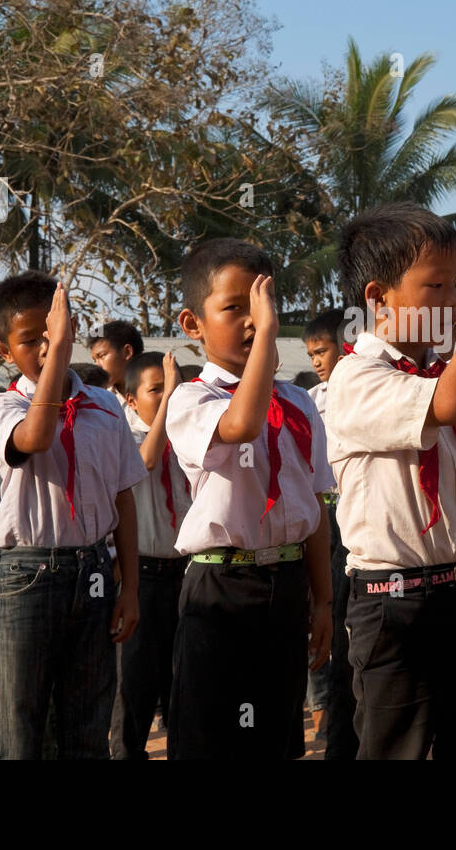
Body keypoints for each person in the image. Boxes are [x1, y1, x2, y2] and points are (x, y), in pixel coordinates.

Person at [329, 207, 456, 759]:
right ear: (378, 297)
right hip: (396, 607)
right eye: (437, 285)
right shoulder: (358, 376)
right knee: (399, 749)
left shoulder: (451, 373)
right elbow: (448, 403)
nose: (452, 299)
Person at [165, 239, 333, 760]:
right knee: (211, 737)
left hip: (285, 584)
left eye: (263, 306)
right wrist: (267, 339)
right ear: (193, 324)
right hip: (221, 586)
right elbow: (241, 424)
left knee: (278, 737)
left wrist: (323, 599)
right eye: (235, 308)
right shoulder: (193, 399)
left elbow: (316, 503)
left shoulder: (300, 401)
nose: (254, 322)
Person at [0, 271, 146, 759]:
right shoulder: (0, 406)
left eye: (54, 335)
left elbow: (123, 498)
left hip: (93, 570)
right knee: (18, 726)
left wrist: (130, 589)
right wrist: (56, 356)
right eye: (30, 340)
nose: (46, 347)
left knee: (86, 724)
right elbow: (35, 438)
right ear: (3, 351)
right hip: (27, 573)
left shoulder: (105, 407)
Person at [110, 350, 191, 759]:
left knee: (184, 690)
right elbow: (146, 461)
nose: (167, 396)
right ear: (130, 399)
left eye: (170, 387)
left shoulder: (187, 437)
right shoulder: (126, 439)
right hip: (140, 578)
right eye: (156, 389)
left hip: (188, 576)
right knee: (134, 691)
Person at [301, 307, 358, 758]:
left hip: (361, 520)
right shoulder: (313, 400)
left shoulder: (368, 388)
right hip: (329, 521)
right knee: (332, 628)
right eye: (311, 354)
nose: (317, 360)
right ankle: (331, 726)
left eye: (322, 350)